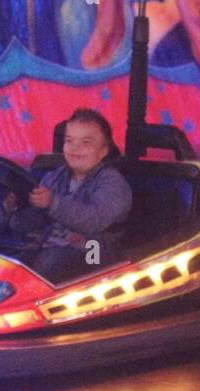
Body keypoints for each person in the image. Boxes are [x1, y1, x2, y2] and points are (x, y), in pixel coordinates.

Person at [7, 107, 133, 285]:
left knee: (47, 265)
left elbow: (93, 221)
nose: (75, 148)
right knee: (11, 259)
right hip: (55, 242)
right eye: (69, 141)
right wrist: (18, 203)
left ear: (103, 151)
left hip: (96, 248)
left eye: (85, 143)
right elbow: (38, 211)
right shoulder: (56, 176)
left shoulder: (112, 182)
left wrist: (52, 203)